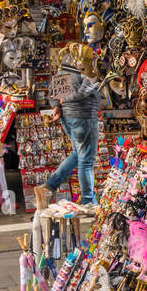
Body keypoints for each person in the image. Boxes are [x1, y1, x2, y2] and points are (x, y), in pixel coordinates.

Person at [34, 44, 115, 209]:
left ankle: (48, 187)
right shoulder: (85, 69)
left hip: (69, 117)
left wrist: (57, 105)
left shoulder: (64, 68)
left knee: (78, 154)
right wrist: (65, 101)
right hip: (83, 117)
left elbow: (54, 93)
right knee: (86, 160)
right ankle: (88, 202)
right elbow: (87, 90)